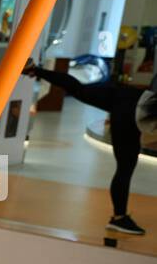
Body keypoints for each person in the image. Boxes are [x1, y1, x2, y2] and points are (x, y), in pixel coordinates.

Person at [23, 63, 148, 235]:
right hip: (131, 113)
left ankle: (35, 70)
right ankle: (119, 218)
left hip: (132, 97)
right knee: (125, 168)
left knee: (79, 90)